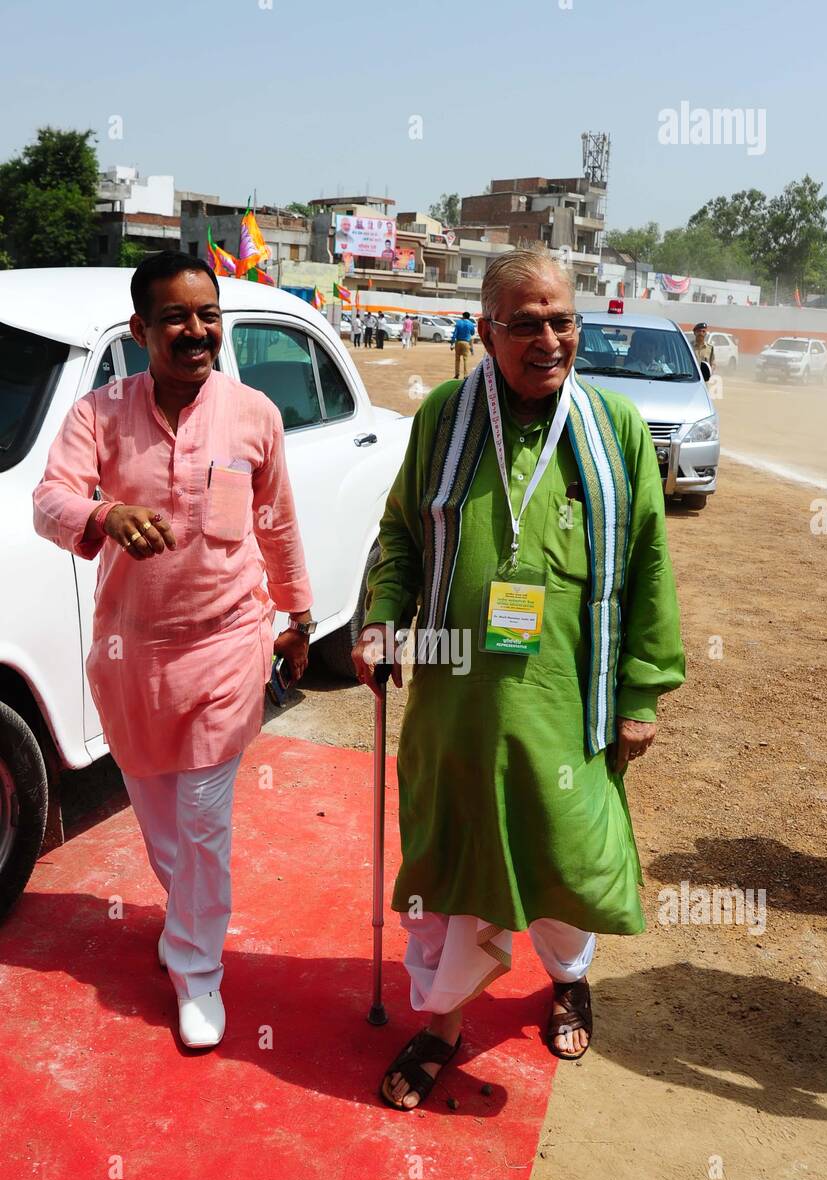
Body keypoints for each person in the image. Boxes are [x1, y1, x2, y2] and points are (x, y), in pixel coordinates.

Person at [351, 247, 685, 1110]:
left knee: (563, 858)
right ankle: (442, 1020)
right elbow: (399, 536)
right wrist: (384, 618)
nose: (548, 338)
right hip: (454, 705)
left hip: (567, 704)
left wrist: (642, 693)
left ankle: (568, 979)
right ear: (487, 330)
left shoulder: (612, 428)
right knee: (442, 869)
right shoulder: (443, 418)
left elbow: (648, 560)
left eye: (562, 320)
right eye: (526, 323)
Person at [33, 251, 314, 1050]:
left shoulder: (255, 414)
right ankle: (185, 918)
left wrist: (297, 614)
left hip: (227, 644)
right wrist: (103, 515)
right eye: (176, 318)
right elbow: (48, 498)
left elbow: (277, 523)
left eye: (208, 315)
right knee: (158, 817)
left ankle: (197, 972)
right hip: (129, 658)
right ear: (140, 330)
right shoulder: (100, 413)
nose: (196, 331)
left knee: (201, 817)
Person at [450, 310, 477, 378]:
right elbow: (472, 333)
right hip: (466, 343)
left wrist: (452, 343)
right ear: (469, 317)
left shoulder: (458, 322)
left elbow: (455, 333)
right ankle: (465, 375)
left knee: (457, 359)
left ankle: (457, 374)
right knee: (465, 359)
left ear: (463, 316)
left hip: (458, 342)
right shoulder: (471, 324)